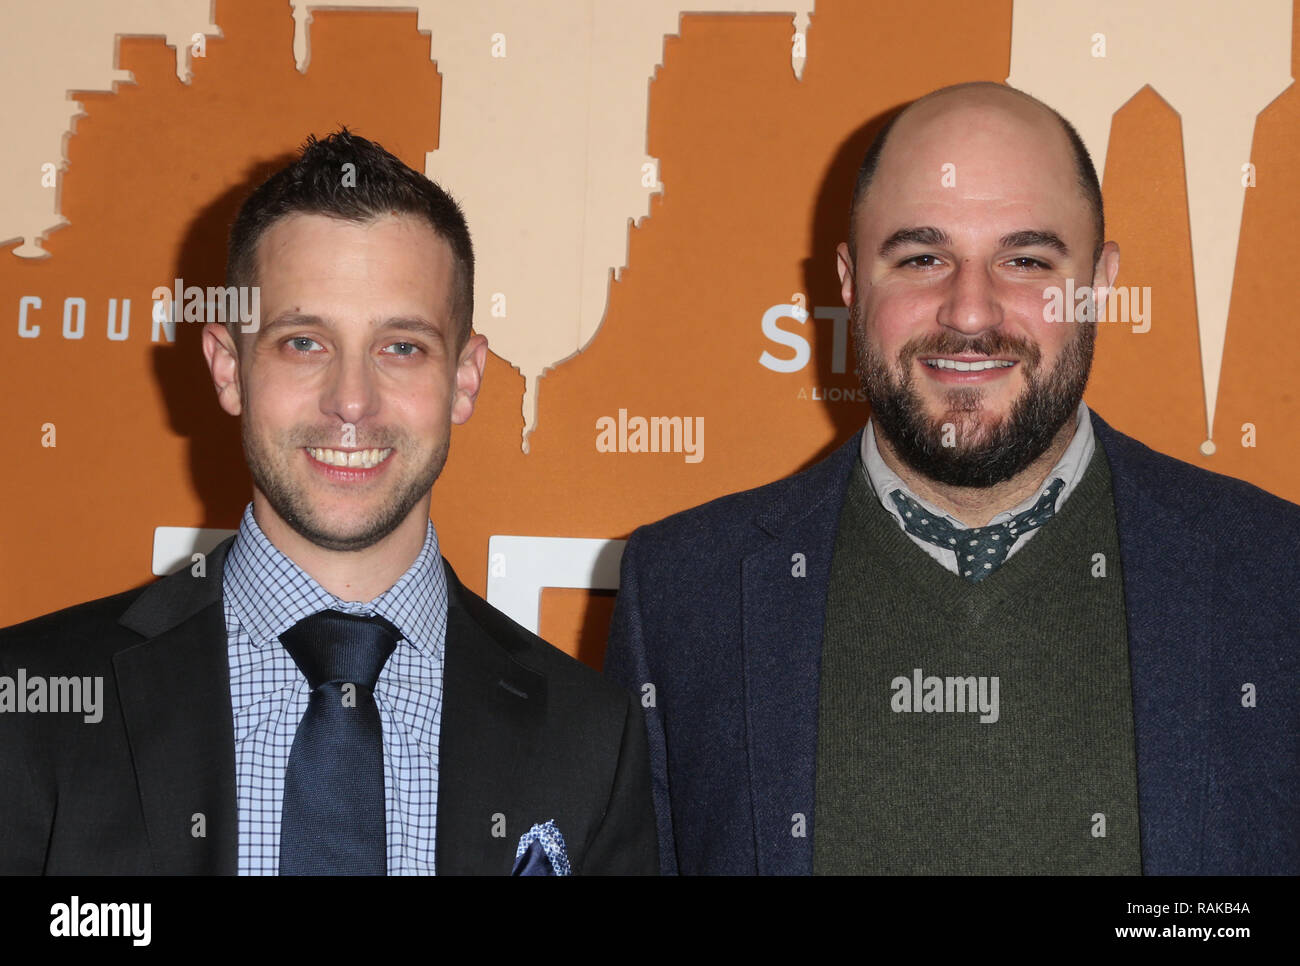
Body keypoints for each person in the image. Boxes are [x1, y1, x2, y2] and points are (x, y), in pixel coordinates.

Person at [604, 82, 1298, 875]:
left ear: (1100, 283)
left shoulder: (1276, 580)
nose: (970, 312)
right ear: (849, 281)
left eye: (1027, 258)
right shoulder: (684, 594)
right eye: (923, 257)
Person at [0, 129, 657, 876]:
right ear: (227, 367)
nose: (352, 401)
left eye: (401, 346)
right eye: (304, 342)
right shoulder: (31, 707)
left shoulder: (590, 741)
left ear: (467, 376)